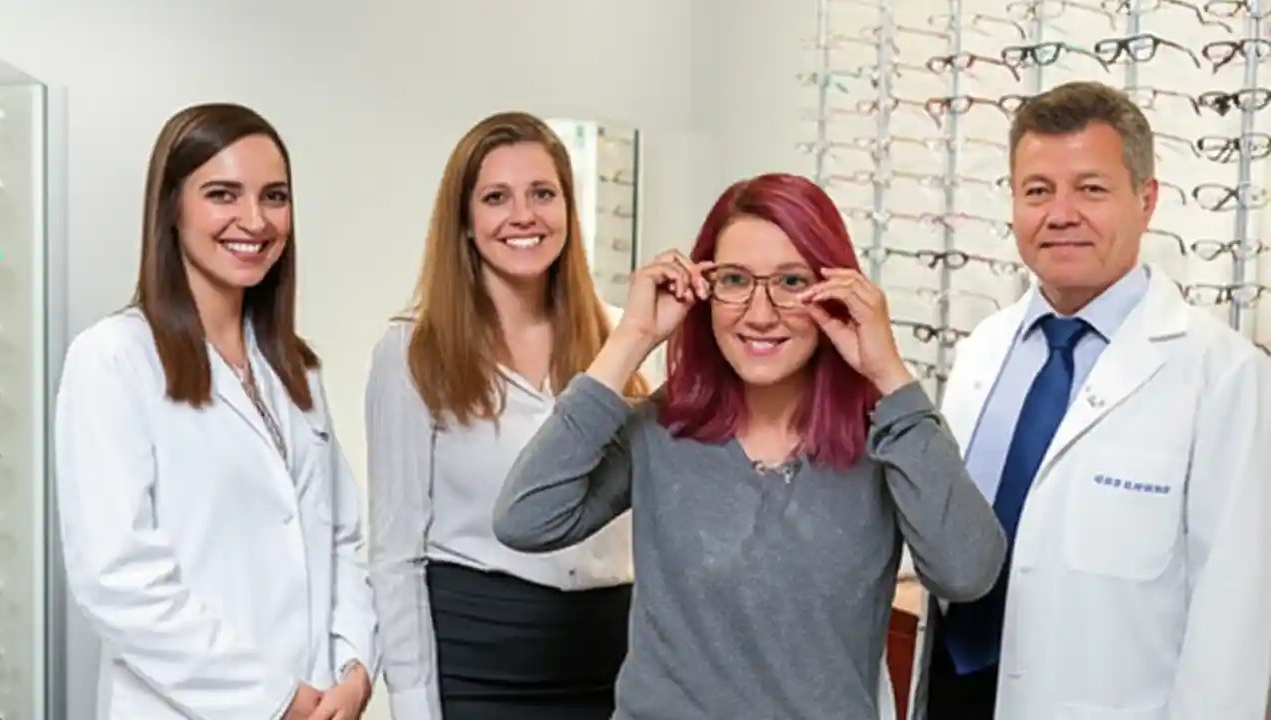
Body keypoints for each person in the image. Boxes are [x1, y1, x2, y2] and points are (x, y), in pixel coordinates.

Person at [491, 172, 1007, 719]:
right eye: (735, 280)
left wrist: (890, 374)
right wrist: (631, 338)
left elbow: (967, 572)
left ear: (835, 292)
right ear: (704, 292)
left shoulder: (891, 436)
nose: (760, 315)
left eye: (790, 282)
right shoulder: (663, 428)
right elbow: (525, 518)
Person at [916, 80, 1271, 719]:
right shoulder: (981, 350)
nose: (1060, 213)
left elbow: (1235, 618)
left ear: (1146, 199)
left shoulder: (1222, 376)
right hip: (955, 697)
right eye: (1037, 191)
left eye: (1092, 188)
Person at [53, 103, 378, 719]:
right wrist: (273, 699)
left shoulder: (294, 369)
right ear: (172, 207)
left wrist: (353, 668)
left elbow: (342, 538)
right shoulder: (114, 359)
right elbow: (117, 578)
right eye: (222, 194)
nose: (253, 221)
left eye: (274, 197)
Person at [366, 110, 651, 720]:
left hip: (614, 662)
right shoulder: (414, 350)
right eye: (497, 197)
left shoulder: (625, 334)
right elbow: (396, 553)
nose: (524, 215)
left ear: (570, 211)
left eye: (543, 194)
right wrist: (414, 708)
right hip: (478, 664)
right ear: (465, 223)